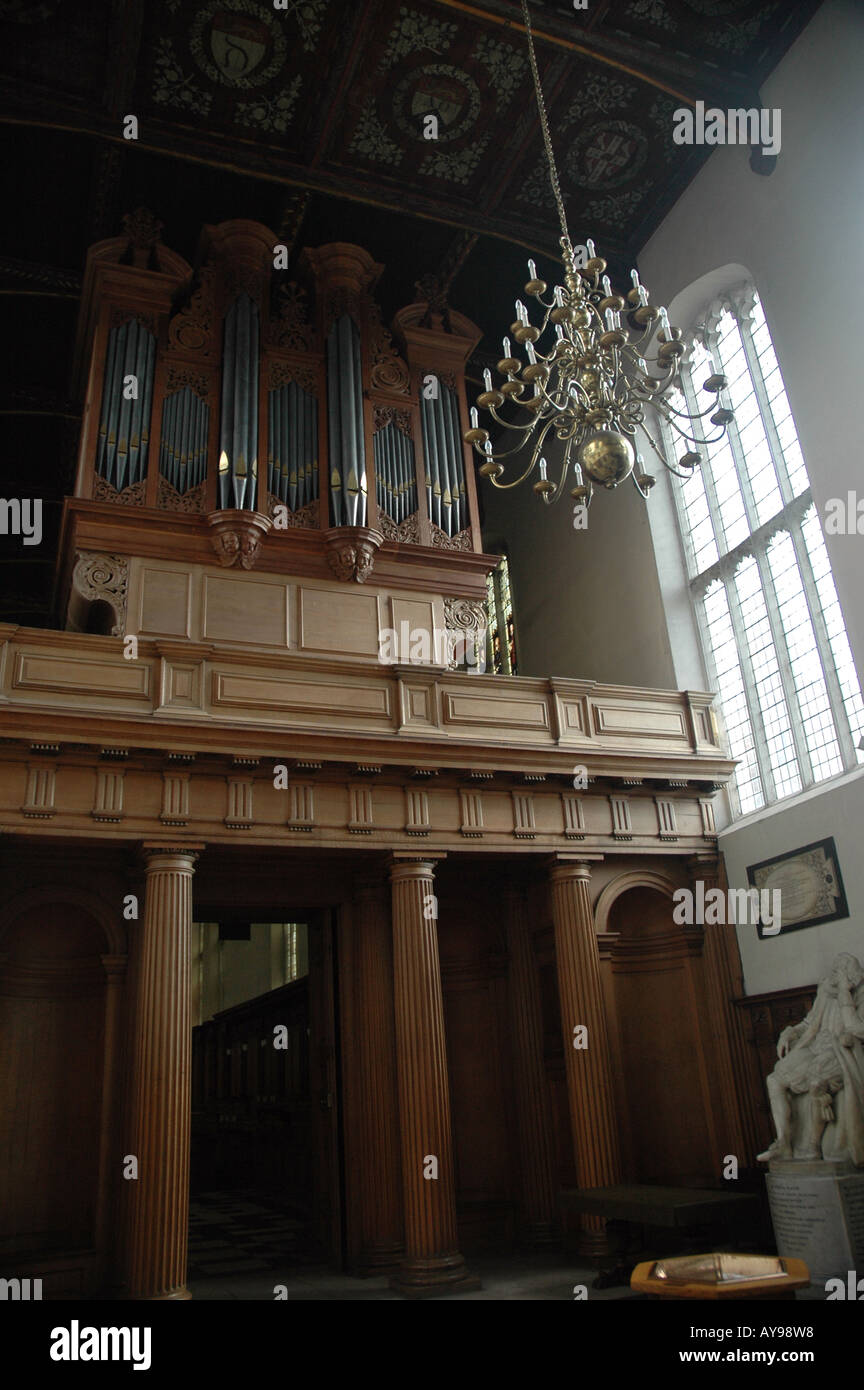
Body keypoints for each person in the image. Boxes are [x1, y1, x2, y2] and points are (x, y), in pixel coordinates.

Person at [757, 952, 864, 1165]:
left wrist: (845, 995)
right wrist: (789, 1032)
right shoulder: (826, 991)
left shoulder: (859, 994)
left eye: (842, 972)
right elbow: (809, 1023)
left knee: (817, 1083)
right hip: (815, 1047)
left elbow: (856, 1029)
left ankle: (813, 1146)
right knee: (774, 1080)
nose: (837, 976)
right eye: (835, 971)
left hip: (841, 1053)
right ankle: (784, 1144)